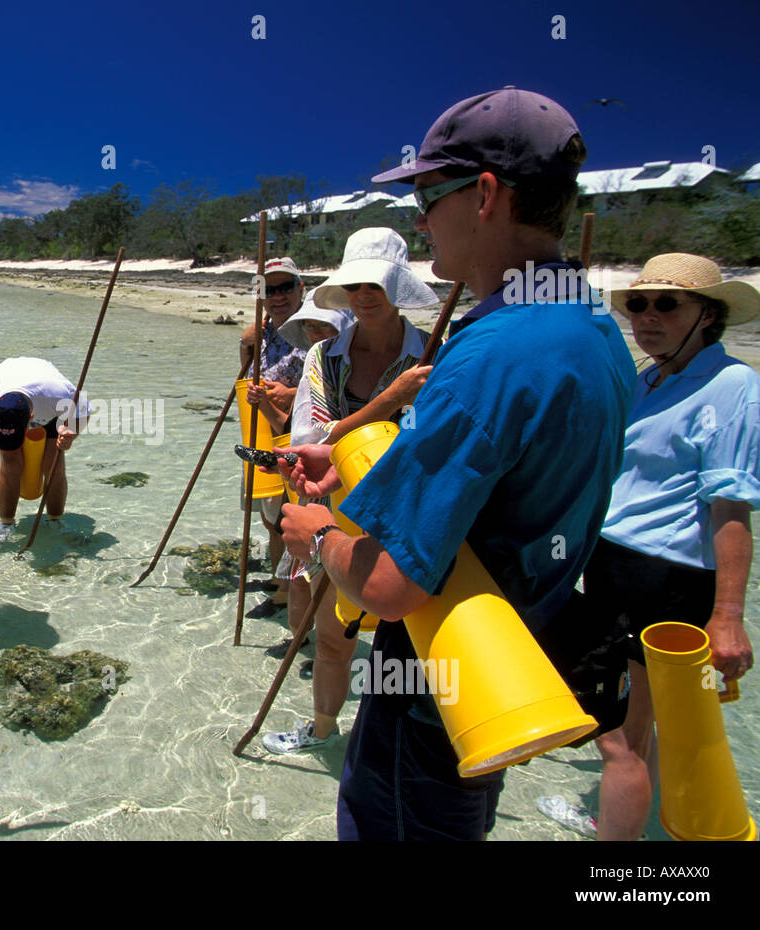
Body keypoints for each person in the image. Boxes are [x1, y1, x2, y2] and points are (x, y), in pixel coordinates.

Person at [278, 88, 634, 840]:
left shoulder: (494, 351)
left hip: (432, 684)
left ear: (484, 195)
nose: (418, 218)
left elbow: (387, 584)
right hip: (505, 672)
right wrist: (353, 478)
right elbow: (504, 491)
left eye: (426, 195)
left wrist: (317, 530)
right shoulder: (595, 331)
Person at [582, 254, 757, 840]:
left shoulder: (734, 386)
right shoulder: (647, 378)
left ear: (708, 315)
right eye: (638, 303)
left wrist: (728, 617)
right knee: (639, 723)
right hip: (614, 565)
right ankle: (631, 825)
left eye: (666, 304)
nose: (647, 316)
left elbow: (731, 507)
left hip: (663, 576)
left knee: (614, 734)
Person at [262, 228, 437, 755]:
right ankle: (322, 731)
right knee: (332, 636)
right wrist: (389, 401)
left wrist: (387, 410)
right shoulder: (322, 356)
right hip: (324, 511)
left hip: (401, 517)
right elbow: (309, 443)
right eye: (356, 284)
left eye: (376, 285)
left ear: (397, 288)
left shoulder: (435, 353)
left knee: (409, 646)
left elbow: (432, 443)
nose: (364, 295)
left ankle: (397, 748)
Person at [239, 257, 308, 623]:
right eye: (269, 289)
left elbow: (330, 387)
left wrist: (290, 393)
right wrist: (245, 342)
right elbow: (245, 375)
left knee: (289, 517)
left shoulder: (315, 328)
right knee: (269, 515)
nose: (277, 296)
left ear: (301, 289)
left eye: (285, 287)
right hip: (262, 432)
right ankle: (278, 578)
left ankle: (287, 592)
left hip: (297, 436)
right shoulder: (261, 331)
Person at [0, 356, 88, 545]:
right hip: (9, 388)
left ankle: (55, 520)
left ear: (31, 418)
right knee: (10, 461)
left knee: (53, 462)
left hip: (51, 411)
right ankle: (6, 524)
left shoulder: (57, 393)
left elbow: (84, 411)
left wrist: (70, 436)